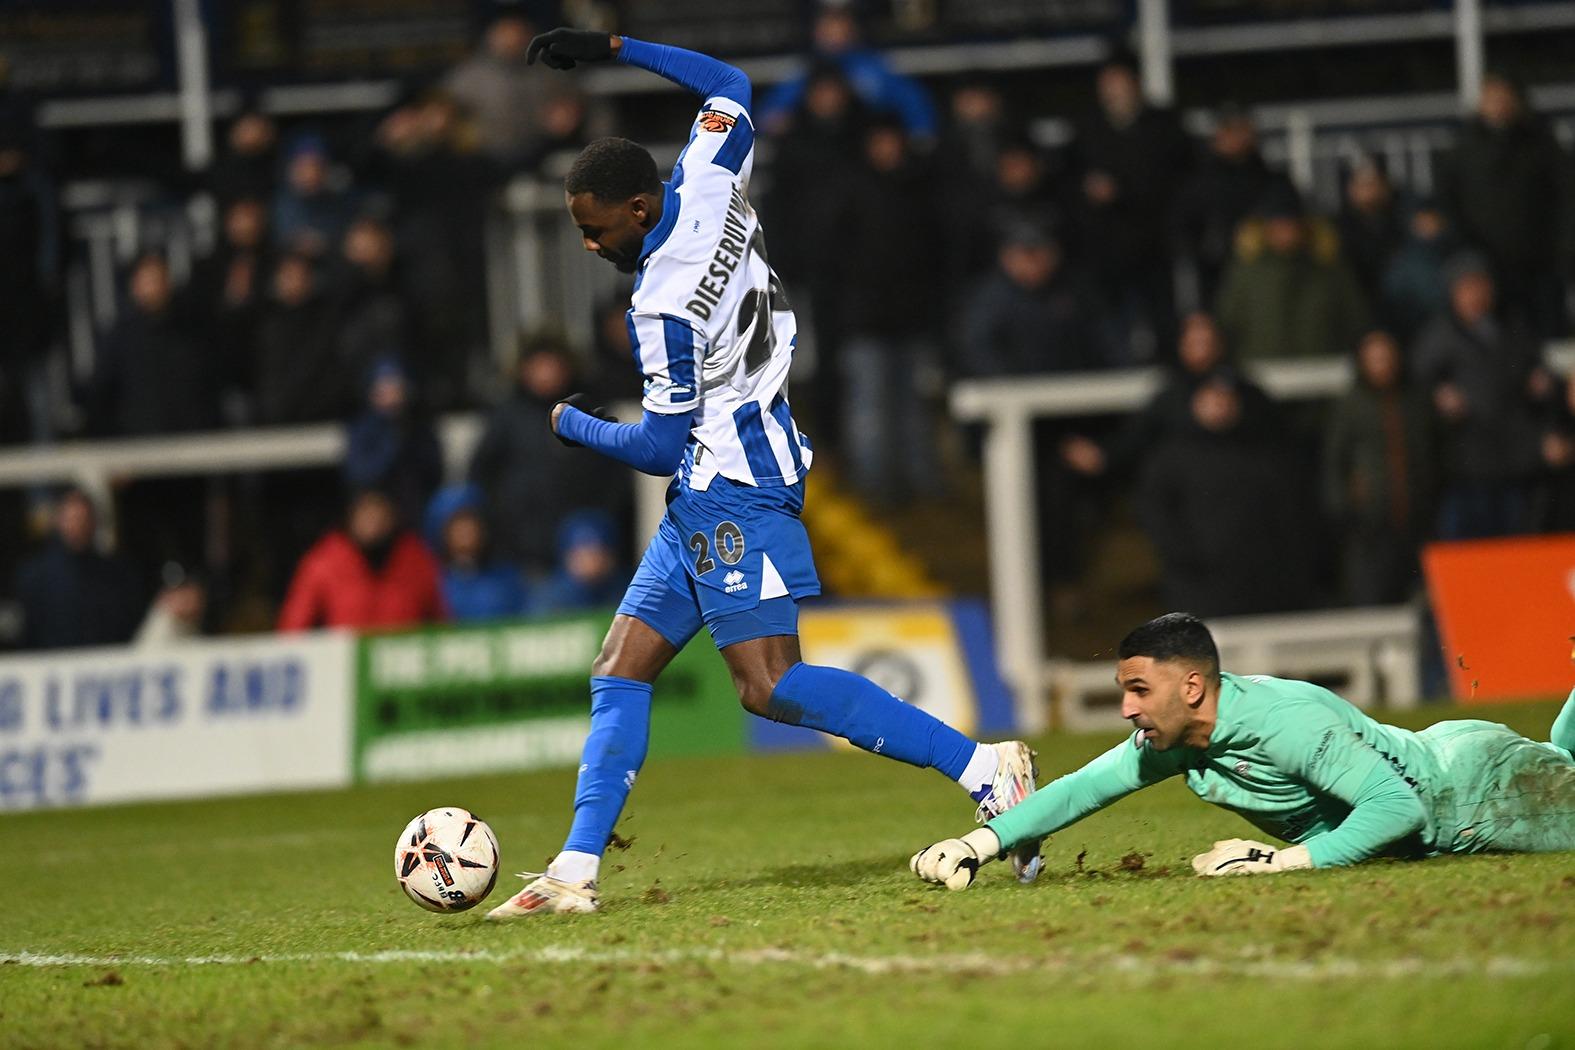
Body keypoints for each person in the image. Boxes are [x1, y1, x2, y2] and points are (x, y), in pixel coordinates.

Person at [484, 28, 1043, 920]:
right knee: (620, 669)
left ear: (636, 208)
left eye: (592, 231)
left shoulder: (659, 303)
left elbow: (659, 447)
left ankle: (985, 769)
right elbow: (729, 80)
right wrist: (616, 43)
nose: (587, 246)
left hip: (728, 486)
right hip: (731, 467)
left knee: (768, 685)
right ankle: (575, 872)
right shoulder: (706, 173)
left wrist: (571, 423)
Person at [911, 613, 1575, 889]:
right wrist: (980, 845)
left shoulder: (1285, 722)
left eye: (1139, 690)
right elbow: (1084, 787)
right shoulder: (1174, 737)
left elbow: (1396, 809)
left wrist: (1280, 862)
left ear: (1192, 686)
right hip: (1445, 760)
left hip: (1479, 795)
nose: (1126, 709)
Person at [1136, 374, 1313, 617]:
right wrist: (1188, 556)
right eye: (1211, 398)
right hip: (1198, 585)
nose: (1220, 405)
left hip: (1264, 583)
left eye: (1226, 398)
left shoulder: (1266, 452)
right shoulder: (1171, 457)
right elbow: (1155, 513)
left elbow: (1289, 512)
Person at [1410, 252, 1547, 539]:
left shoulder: (1513, 328)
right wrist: (1439, 400)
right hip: (1464, 466)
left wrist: (1542, 385)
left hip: (1515, 461)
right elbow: (1417, 391)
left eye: (1482, 286)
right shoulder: (1437, 337)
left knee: (1516, 546)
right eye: (1467, 288)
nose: (1476, 296)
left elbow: (1537, 376)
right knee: (1469, 550)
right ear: (1452, 292)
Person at [1322, 331, 1434, 605]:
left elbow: (1432, 452)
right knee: (1371, 598)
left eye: (1387, 357)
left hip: (1416, 518)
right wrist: (1344, 508)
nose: (1382, 364)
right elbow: (1335, 459)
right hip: (1369, 524)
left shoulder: (1415, 400)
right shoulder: (1351, 404)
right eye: (1375, 358)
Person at [1216, 183, 1371, 362]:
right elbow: (1226, 324)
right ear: (1265, 228)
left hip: (1325, 369)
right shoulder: (1245, 272)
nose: (1285, 231)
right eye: (1278, 224)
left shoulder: (1330, 269)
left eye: (1291, 224)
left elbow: (1357, 320)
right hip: (1260, 371)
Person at [276, 488, 445, 630]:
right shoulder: (323, 562)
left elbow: (440, 619)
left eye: (380, 512)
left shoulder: (417, 559)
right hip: (341, 661)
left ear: (393, 517)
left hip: (401, 660)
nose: (374, 522)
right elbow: (294, 627)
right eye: (365, 512)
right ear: (351, 515)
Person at [15, 488, 142, 651]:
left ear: (95, 522)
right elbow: (28, 633)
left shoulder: (117, 573)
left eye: (84, 519)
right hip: (50, 668)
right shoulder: (34, 575)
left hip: (106, 666)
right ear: (58, 521)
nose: (78, 526)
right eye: (72, 519)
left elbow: (127, 628)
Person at [425, 483, 529, 622]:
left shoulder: (507, 579)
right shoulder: (430, 581)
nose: (465, 532)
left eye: (471, 523)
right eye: (457, 526)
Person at [531, 509, 632, 615]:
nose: (591, 562)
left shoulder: (629, 592)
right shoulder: (549, 599)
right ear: (567, 557)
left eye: (598, 553)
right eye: (581, 555)